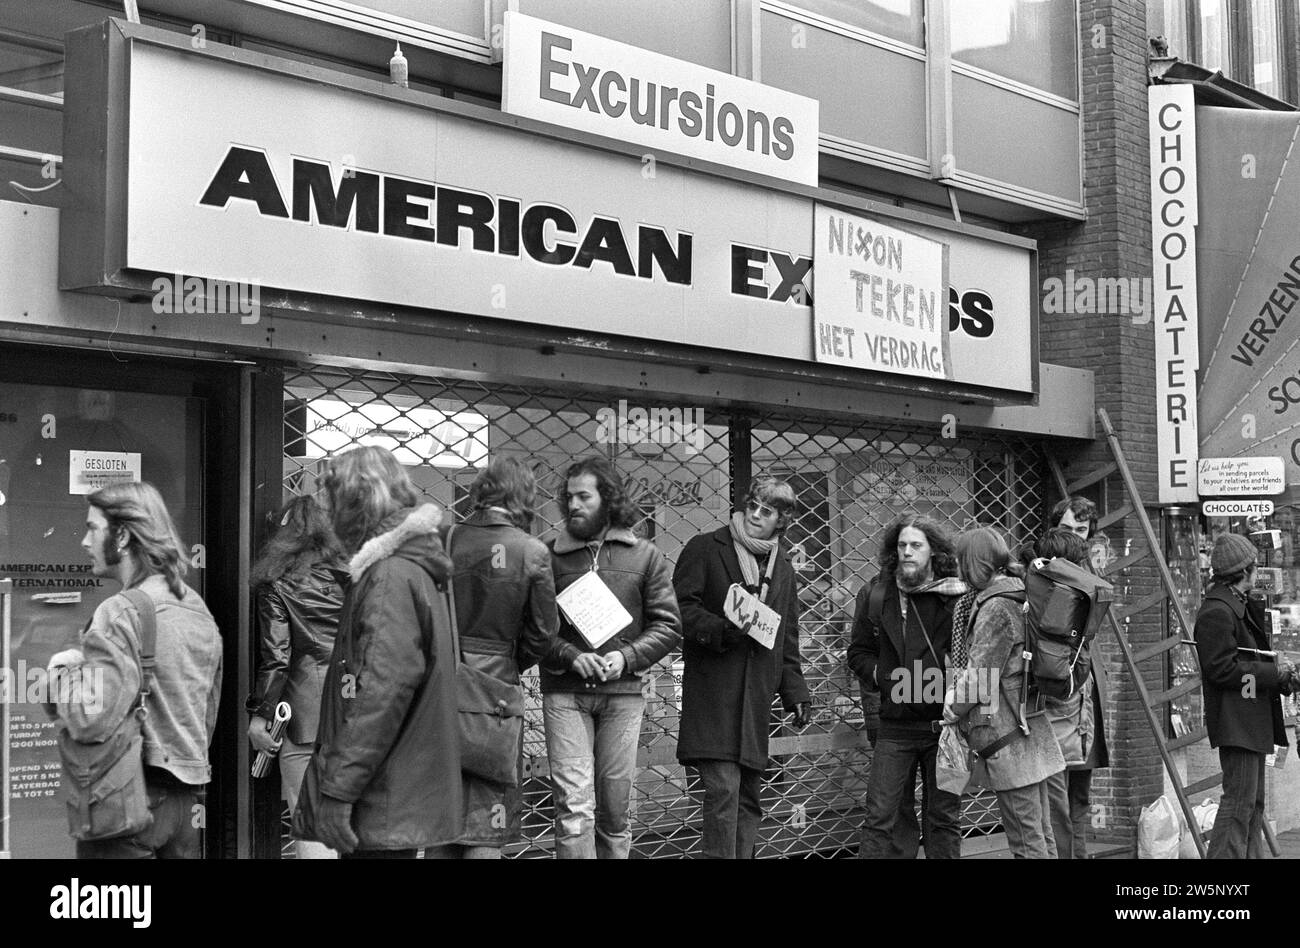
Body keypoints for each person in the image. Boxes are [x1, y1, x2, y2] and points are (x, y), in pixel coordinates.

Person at [298, 446, 462, 858]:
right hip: (394, 787)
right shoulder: (412, 567)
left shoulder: (389, 574)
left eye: (331, 500)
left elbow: (381, 690)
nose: (328, 514)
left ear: (354, 501)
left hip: (380, 793)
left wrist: (338, 789)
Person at [48, 482, 222, 858]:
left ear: (123, 535)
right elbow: (206, 714)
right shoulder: (196, 609)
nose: (84, 541)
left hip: (125, 802)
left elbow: (89, 719)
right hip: (186, 806)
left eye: (93, 528)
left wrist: (62, 674)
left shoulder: (121, 611)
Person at [541, 456, 682, 859]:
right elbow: (532, 628)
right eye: (568, 497)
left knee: (616, 812)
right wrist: (569, 655)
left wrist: (626, 657)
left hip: (623, 692)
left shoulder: (645, 556)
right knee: (574, 810)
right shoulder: (547, 554)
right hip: (565, 692)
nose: (573, 505)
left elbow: (668, 625)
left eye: (583, 496)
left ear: (608, 499)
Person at [425, 457, 560, 859]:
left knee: (440, 816)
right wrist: (509, 662)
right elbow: (543, 632)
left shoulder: (444, 539)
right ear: (523, 497)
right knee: (489, 818)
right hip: (497, 695)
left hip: (442, 687)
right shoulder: (532, 551)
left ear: (481, 491)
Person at [673, 475, 812, 858]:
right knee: (722, 792)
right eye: (752, 506)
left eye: (766, 511)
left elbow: (788, 633)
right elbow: (678, 610)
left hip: (755, 699)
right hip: (713, 694)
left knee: (749, 795)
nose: (754, 515)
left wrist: (795, 689)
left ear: (781, 521)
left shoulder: (781, 565)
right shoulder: (705, 548)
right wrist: (721, 629)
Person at [848, 515, 968, 859]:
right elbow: (858, 652)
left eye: (916, 545)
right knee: (880, 817)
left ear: (933, 551)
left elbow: (979, 658)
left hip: (948, 729)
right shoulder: (877, 592)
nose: (907, 552)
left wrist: (970, 706)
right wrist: (884, 677)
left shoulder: (958, 595)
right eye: (902, 545)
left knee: (945, 819)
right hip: (895, 729)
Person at [944, 528, 1065, 858]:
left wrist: (951, 709)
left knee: (1027, 841)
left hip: (1010, 740)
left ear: (973, 563)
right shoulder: (1021, 593)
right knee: (1041, 834)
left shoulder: (997, 606)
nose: (957, 569)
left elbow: (979, 675)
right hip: (1031, 731)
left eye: (960, 562)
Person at [246, 495, 347, 859]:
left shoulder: (278, 585)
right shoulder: (356, 579)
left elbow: (277, 658)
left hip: (306, 723)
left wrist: (261, 716)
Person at [1195, 532, 1294, 858]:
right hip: (1237, 722)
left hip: (1249, 718)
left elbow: (1243, 665)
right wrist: (1271, 674)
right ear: (1245, 570)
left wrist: (1275, 674)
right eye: (1254, 565)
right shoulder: (1217, 611)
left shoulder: (1236, 604)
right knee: (1238, 803)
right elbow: (1222, 670)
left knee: (1252, 805)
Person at [1048, 495, 1110, 858]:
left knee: (1081, 794)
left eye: (1081, 530)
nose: (1074, 537)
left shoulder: (1092, 573)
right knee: (1054, 795)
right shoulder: (1043, 572)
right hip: (1056, 695)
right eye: (1067, 529)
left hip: (1085, 693)